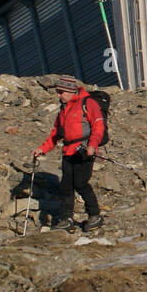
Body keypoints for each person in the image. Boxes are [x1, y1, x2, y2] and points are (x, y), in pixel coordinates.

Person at [33, 76, 104, 231]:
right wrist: (42, 149)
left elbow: (98, 126)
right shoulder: (64, 109)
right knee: (66, 186)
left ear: (70, 91)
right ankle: (66, 219)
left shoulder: (88, 103)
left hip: (84, 151)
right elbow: (55, 134)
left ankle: (95, 215)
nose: (58, 95)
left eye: (61, 92)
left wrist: (92, 145)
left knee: (80, 183)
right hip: (68, 151)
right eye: (58, 92)